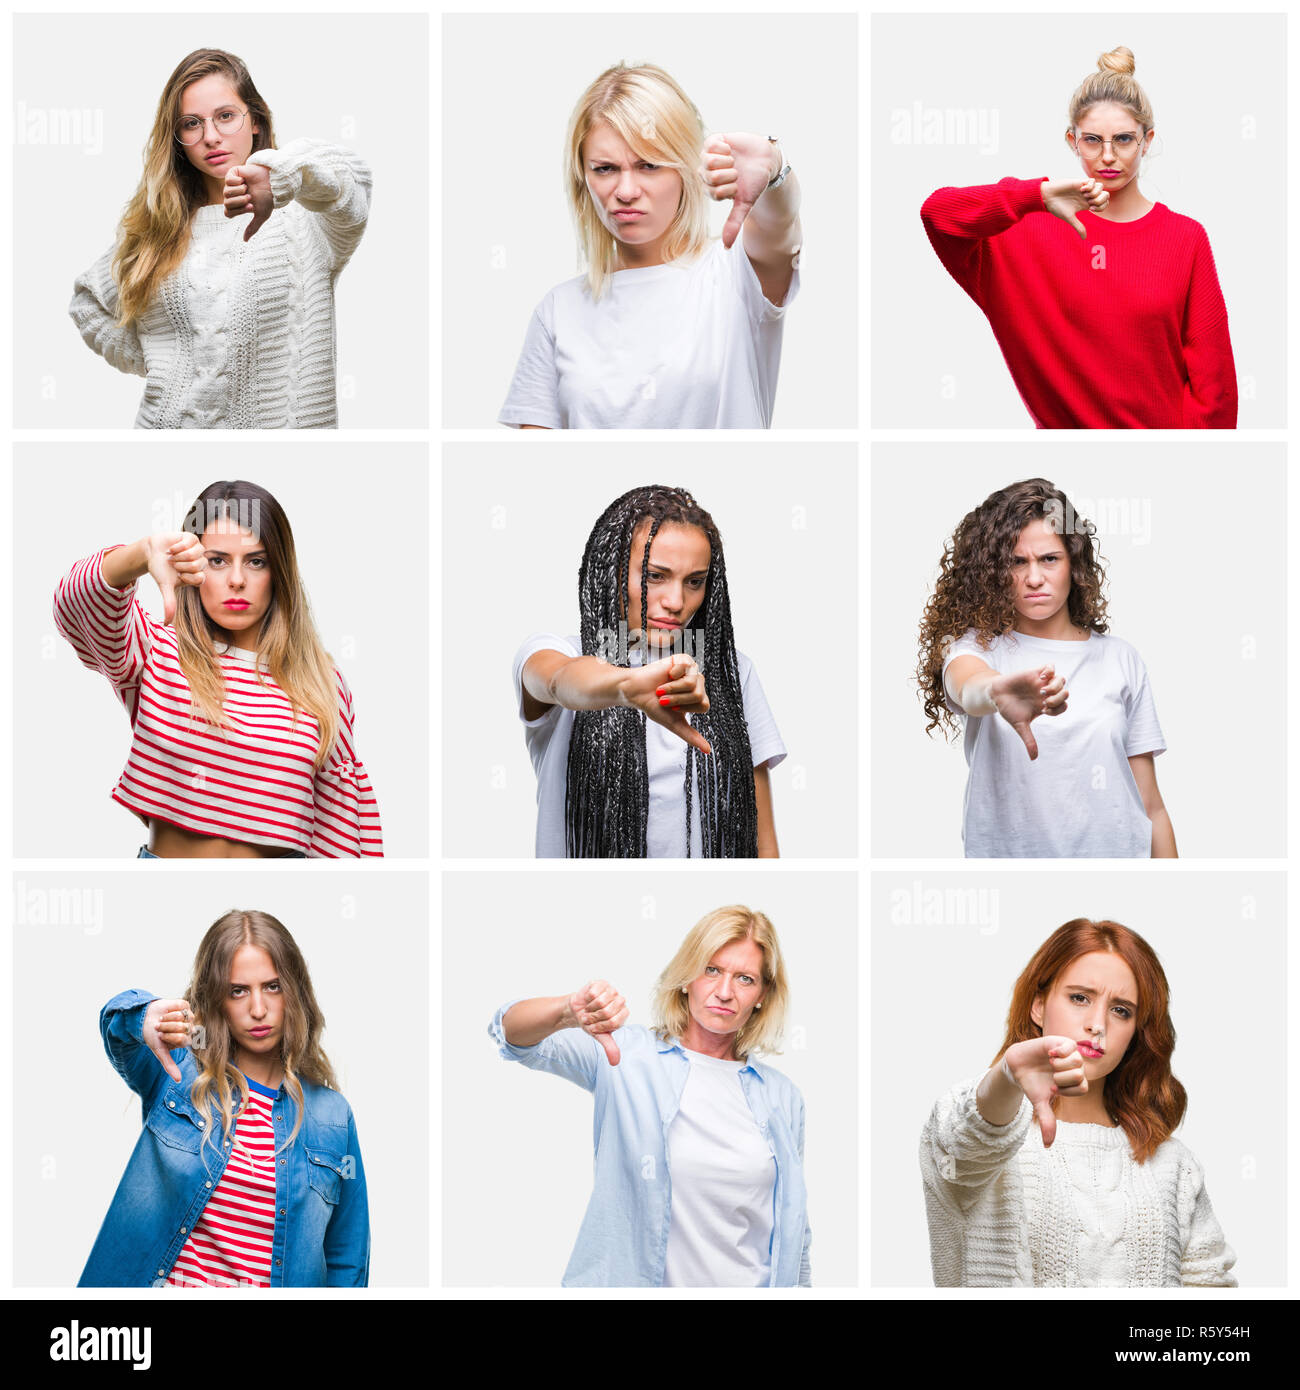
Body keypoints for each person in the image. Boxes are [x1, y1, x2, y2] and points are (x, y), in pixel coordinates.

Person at [54, 479, 383, 857]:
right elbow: (73, 604)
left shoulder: (321, 680)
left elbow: (341, 824)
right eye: (217, 561)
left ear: (279, 573)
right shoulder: (156, 649)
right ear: (191, 565)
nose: (237, 580)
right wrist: (142, 554)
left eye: (256, 561)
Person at [490, 905, 810, 1287]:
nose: (724, 992)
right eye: (712, 970)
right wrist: (566, 1012)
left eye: (744, 979)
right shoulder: (624, 1055)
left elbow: (795, 1233)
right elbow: (511, 1035)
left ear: (762, 995)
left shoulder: (783, 1096)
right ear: (687, 977)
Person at [920, 47, 1235, 428]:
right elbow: (938, 213)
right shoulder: (1022, 231)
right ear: (1072, 140)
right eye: (1092, 140)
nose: (1107, 156)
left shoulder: (1186, 238)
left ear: (1147, 140)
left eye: (1123, 139)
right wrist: (1033, 196)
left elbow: (1214, 389)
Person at [920, 918, 1236, 1287]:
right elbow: (965, 1137)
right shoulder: (986, 1139)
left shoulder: (1173, 1165)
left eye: (1121, 1010)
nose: (1097, 1023)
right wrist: (1007, 1075)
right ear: (1039, 1006)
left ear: (1137, 1033)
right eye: (1080, 998)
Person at [70, 48, 371, 429]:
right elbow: (87, 302)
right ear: (177, 136)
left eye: (226, 117)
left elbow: (355, 179)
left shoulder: (308, 217)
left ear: (256, 120)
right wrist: (156, 358)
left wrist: (280, 177)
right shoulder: (162, 227)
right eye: (191, 123)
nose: (211, 137)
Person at [499, 62, 801, 429]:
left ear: (684, 168)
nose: (625, 192)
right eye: (605, 168)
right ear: (583, 177)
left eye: (649, 165)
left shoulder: (735, 274)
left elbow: (778, 225)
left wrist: (774, 170)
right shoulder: (557, 312)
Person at [80, 910, 368, 1287]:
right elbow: (116, 1028)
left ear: (294, 991)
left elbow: (347, 1258)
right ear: (217, 999)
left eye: (273, 986)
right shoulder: (179, 1071)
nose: (258, 1009)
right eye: (238, 991)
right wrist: (143, 1017)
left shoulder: (331, 1117)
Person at [514, 484, 784, 857]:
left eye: (694, 582)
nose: (676, 602)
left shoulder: (733, 671)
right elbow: (558, 681)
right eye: (655, 575)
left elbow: (763, 845)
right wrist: (626, 687)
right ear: (613, 568)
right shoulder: (560, 651)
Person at [917, 477, 1173, 858]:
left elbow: (1151, 805)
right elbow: (967, 685)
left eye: (1049, 559)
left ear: (1074, 563)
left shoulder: (1121, 658)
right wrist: (996, 691)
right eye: (1017, 562)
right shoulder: (978, 648)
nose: (1034, 578)